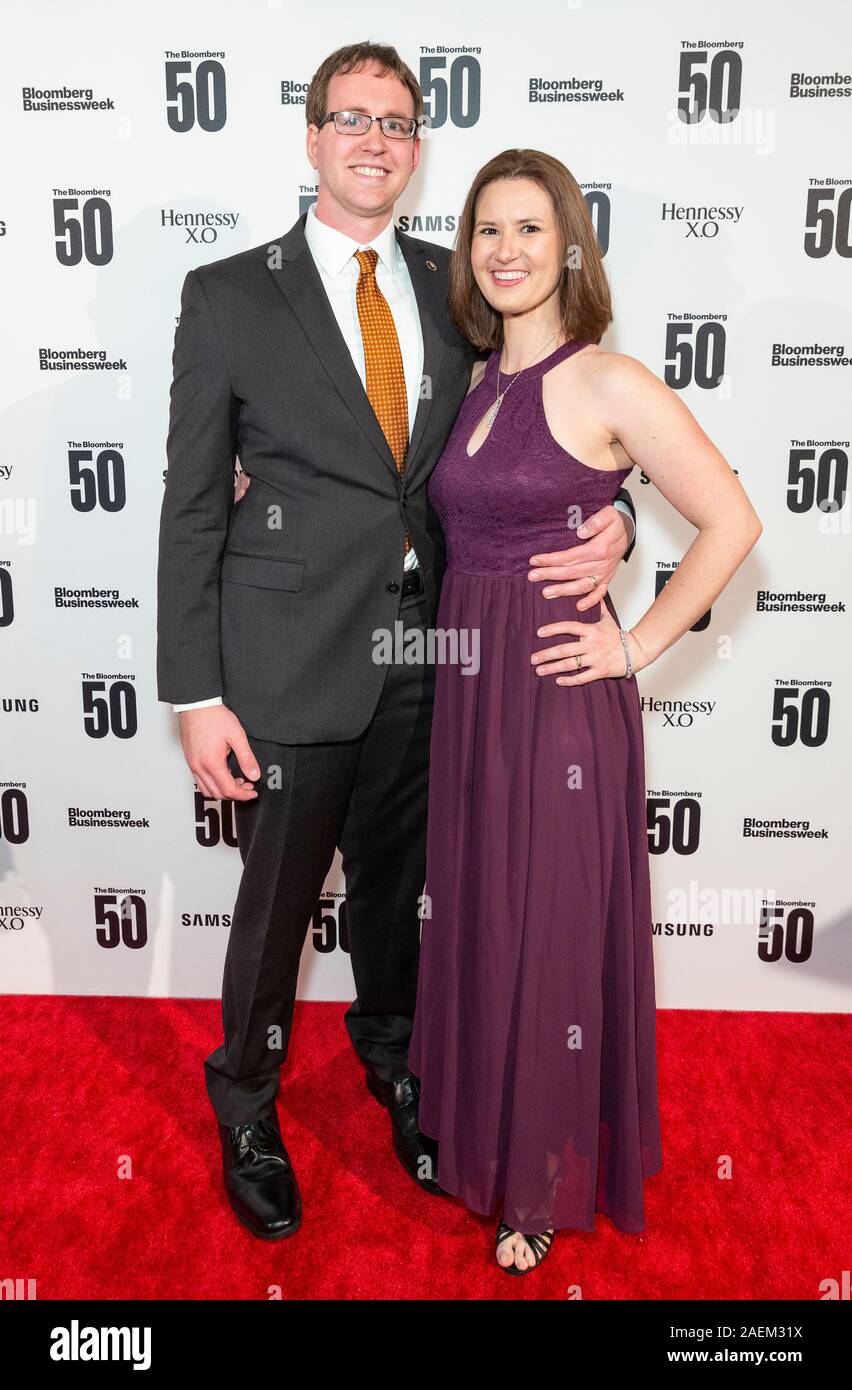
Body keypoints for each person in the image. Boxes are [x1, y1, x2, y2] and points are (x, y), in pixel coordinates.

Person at [156, 44, 637, 1242]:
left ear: (419, 150)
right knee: (274, 913)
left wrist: (614, 511)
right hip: (284, 661)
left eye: (399, 122)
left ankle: (398, 1067)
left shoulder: (458, 285)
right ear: (312, 136)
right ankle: (249, 1104)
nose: (376, 138)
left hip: (436, 660)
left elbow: (533, 427)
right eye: (352, 118)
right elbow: (192, 506)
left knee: (401, 898)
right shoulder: (227, 296)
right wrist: (193, 691)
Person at [407, 149, 763, 1274]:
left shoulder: (608, 381)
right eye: (485, 232)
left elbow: (733, 520)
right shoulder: (470, 385)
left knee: (548, 934)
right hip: (472, 698)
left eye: (528, 229)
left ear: (570, 246)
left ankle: (540, 1181)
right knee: (485, 923)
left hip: (559, 697)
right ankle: (482, 1136)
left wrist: (634, 643)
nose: (505, 251)